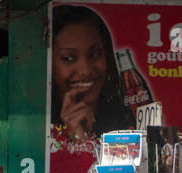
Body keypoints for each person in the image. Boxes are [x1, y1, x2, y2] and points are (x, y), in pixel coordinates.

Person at [50, 5, 133, 149]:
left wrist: (83, 139)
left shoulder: (126, 123)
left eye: (95, 54)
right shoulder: (37, 127)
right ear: (49, 64)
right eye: (69, 58)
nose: (85, 71)